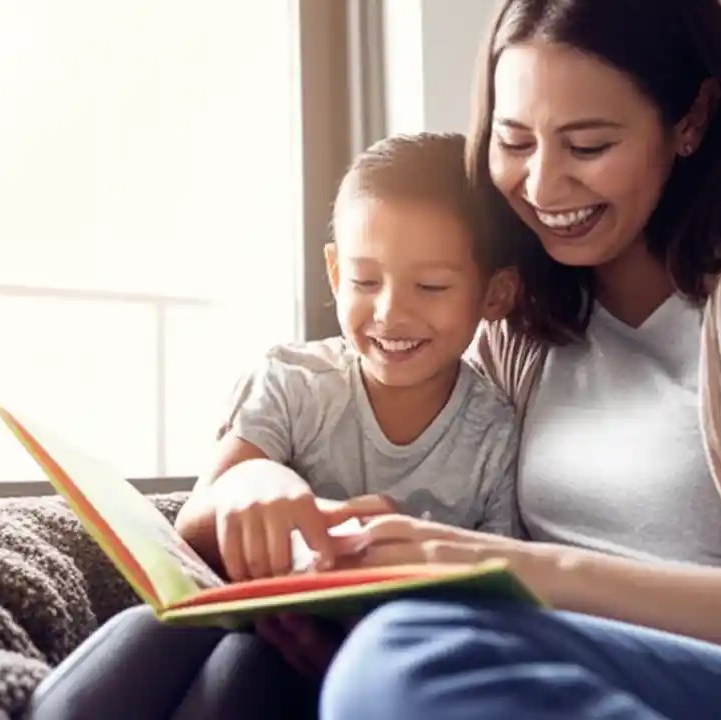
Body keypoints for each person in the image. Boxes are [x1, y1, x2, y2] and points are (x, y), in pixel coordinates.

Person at [317, 0, 721, 718]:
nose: (541, 187)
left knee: (407, 660)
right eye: (514, 142)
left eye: (588, 146)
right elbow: (349, 394)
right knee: (244, 656)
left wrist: (523, 571)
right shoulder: (519, 325)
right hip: (588, 663)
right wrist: (245, 474)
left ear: (690, 120)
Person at [26, 131, 521, 720]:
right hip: (248, 625)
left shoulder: (494, 432)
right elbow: (192, 529)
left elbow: (505, 608)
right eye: (366, 282)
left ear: (495, 294)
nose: (390, 312)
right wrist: (253, 481)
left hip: (381, 668)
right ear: (335, 272)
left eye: (431, 287)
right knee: (150, 634)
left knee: (246, 670)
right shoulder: (293, 381)